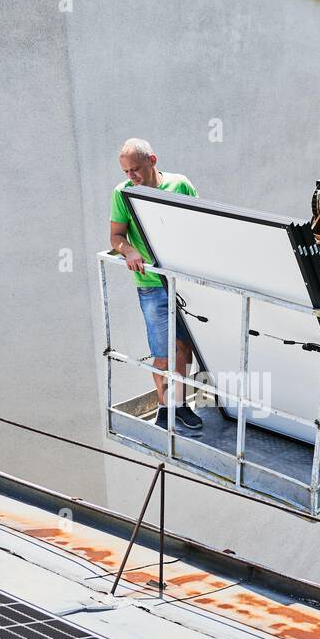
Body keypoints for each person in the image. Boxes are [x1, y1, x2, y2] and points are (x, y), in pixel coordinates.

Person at [109, 138, 203, 432]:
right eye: (126, 171)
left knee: (184, 349)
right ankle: (164, 408)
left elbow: (201, 223)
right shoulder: (123, 194)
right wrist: (129, 250)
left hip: (183, 283)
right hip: (151, 284)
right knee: (163, 352)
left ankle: (181, 405)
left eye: (135, 169)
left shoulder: (180, 185)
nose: (131, 176)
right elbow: (116, 237)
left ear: (153, 160)